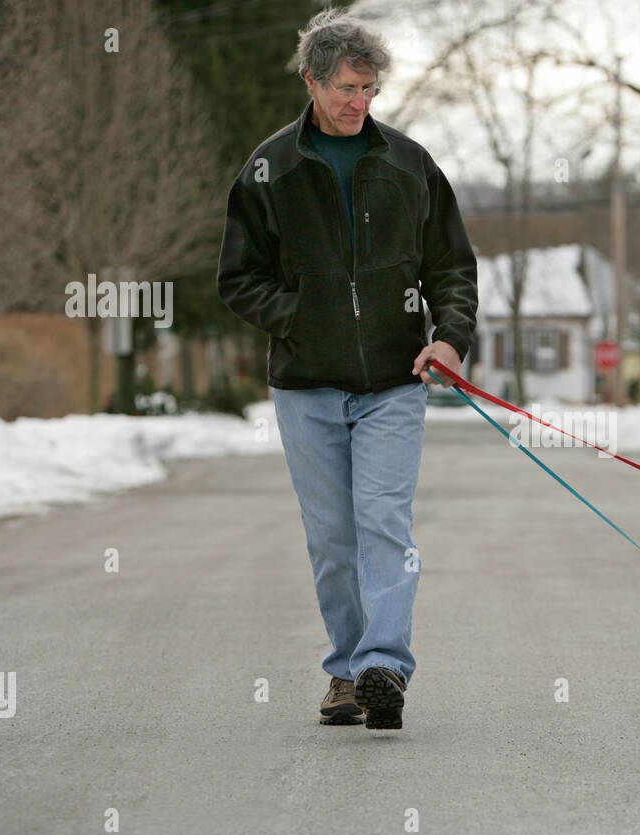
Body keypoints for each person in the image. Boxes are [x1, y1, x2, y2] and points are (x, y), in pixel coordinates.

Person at [217, 9, 477, 730]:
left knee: (385, 523)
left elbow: (451, 266)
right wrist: (301, 316)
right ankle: (346, 670)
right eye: (345, 87)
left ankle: (383, 665)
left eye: (368, 88)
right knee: (332, 538)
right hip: (306, 386)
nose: (358, 101)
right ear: (312, 80)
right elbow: (238, 278)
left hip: (395, 382)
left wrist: (449, 338)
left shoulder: (409, 164)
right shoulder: (270, 168)